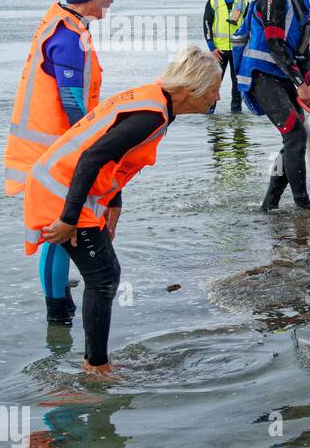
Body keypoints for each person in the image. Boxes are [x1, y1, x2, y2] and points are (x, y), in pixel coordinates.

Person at [23, 46, 222, 376]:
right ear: (191, 90)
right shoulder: (151, 115)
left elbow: (111, 154)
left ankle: (95, 361)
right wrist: (69, 220)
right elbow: (90, 158)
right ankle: (96, 367)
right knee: (103, 277)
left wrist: (113, 203)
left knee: (104, 274)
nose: (216, 97)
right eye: (214, 89)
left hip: (72, 190)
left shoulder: (155, 101)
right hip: (61, 193)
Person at [4, 0, 125, 326]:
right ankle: (57, 314)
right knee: (59, 232)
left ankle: (59, 302)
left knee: (57, 233)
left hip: (47, 149)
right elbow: (72, 104)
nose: (111, 1)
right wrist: (95, 148)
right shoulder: (68, 38)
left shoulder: (62, 23)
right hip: (51, 153)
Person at [238, 0, 310, 212]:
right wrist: (299, 84)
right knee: (296, 134)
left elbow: (303, 49)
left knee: (296, 137)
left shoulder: (307, 0)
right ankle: (302, 206)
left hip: (286, 75)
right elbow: (275, 45)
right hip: (262, 75)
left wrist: (309, 81)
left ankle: (268, 205)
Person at [203, 0, 249, 113]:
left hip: (238, 50)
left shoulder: (243, 2)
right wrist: (212, 47)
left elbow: (249, 26)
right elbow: (206, 25)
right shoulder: (213, 1)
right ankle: (209, 113)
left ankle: (236, 115)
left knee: (237, 85)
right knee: (214, 84)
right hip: (219, 51)